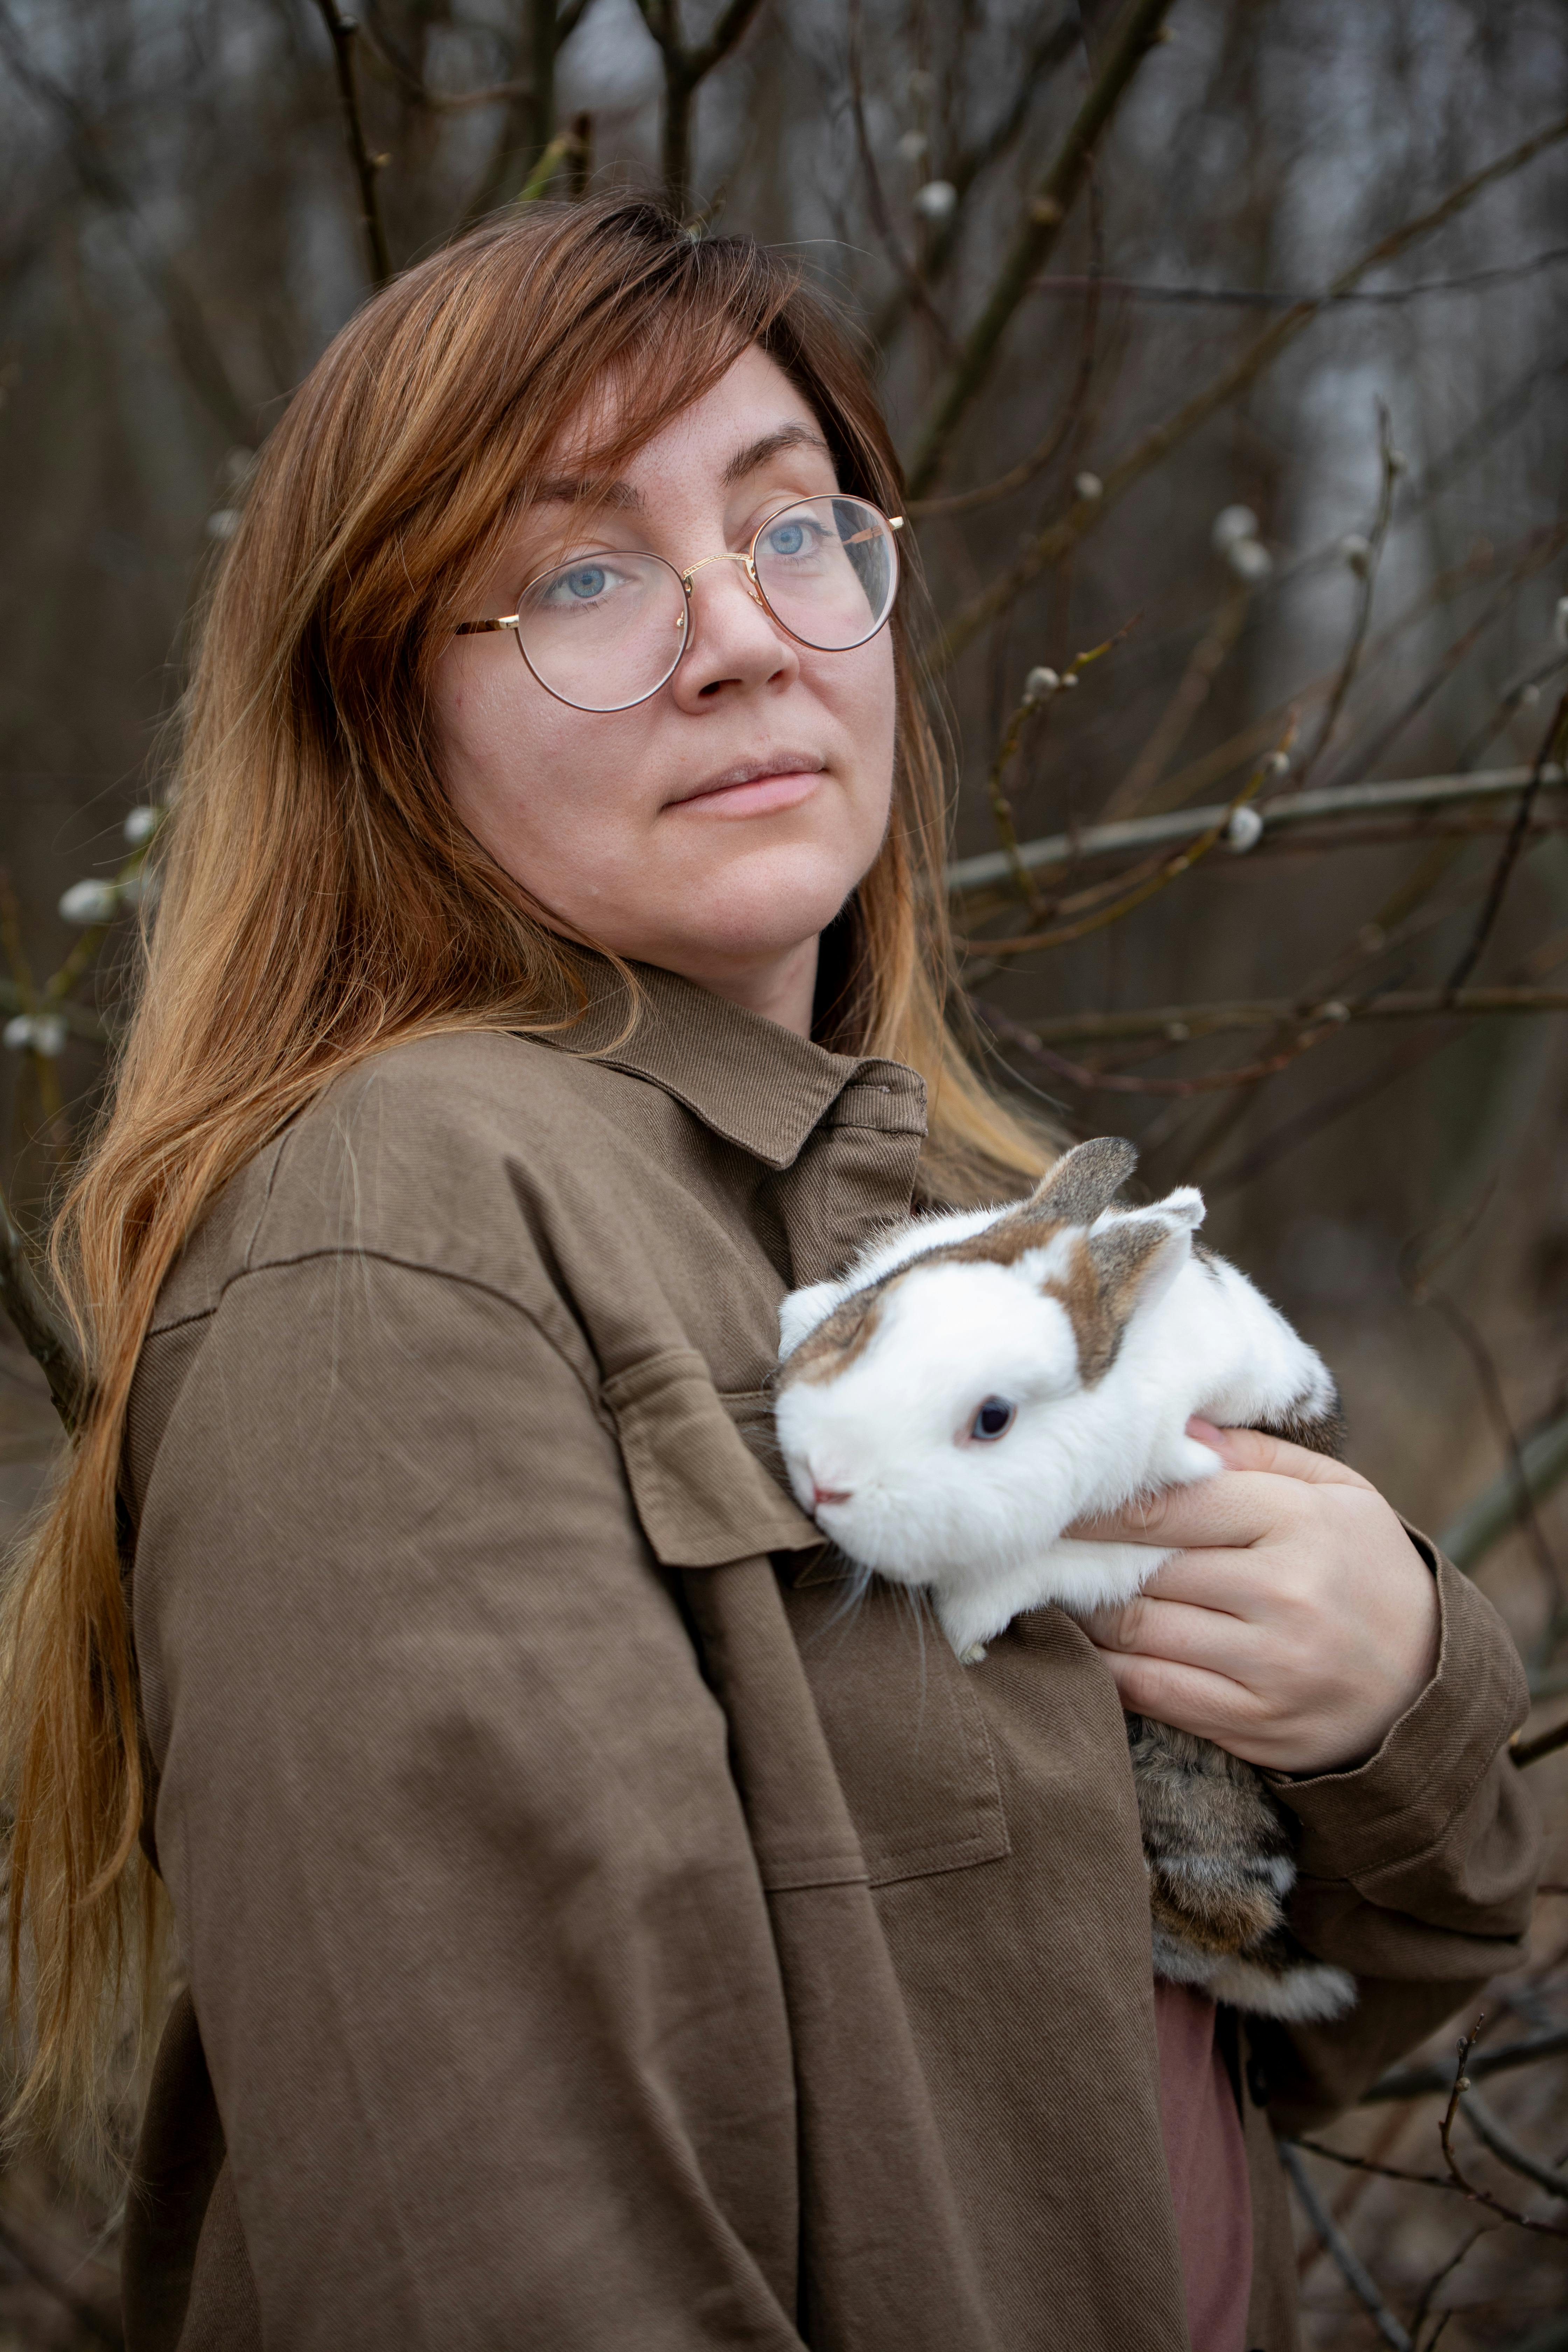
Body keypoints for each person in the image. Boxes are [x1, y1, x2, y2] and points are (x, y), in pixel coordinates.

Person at [1, 197, 1538, 2352]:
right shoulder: (408, 1228)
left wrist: (1394, 1691)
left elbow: (1296, 2026)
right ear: (379, 718)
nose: (741, 634)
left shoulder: (968, 1236)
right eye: (581, 574)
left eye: (793, 527)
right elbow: (505, 2270)